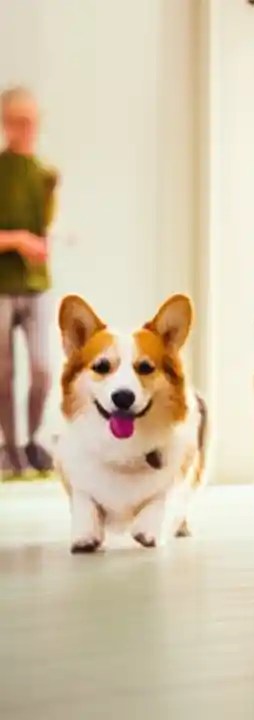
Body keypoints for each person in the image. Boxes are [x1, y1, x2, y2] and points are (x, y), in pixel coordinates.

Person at [0, 86, 57, 477]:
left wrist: (40, 243)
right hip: (3, 284)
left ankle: (33, 440)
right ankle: (10, 449)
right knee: (3, 373)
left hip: (36, 285)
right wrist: (18, 240)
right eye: (19, 122)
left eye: (32, 122)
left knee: (43, 368)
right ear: (6, 124)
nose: (27, 129)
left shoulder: (44, 174)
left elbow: (46, 229)